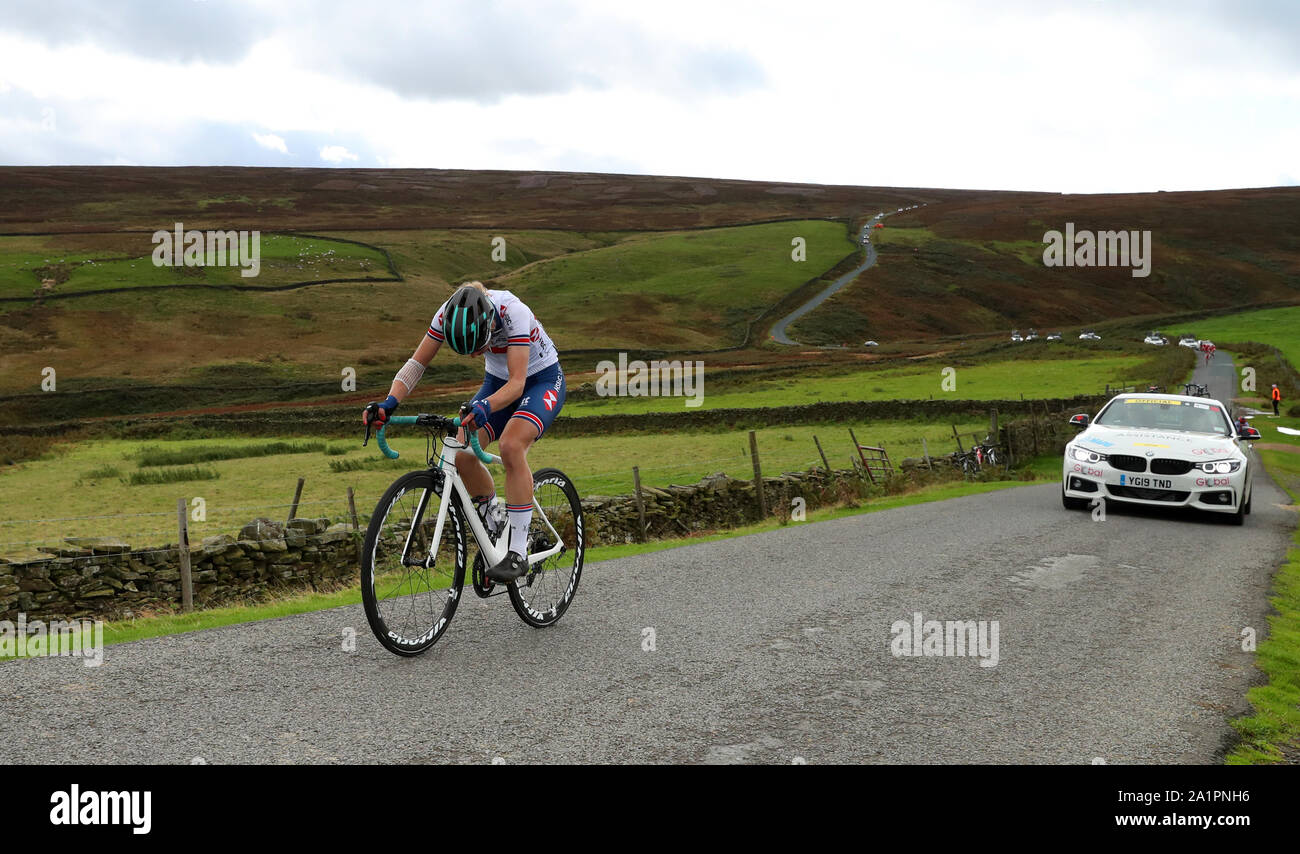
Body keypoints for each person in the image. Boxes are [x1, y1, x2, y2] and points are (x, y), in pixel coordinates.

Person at [361, 281, 565, 582]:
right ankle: (494, 522)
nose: (473, 357)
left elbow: (518, 383)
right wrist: (390, 402)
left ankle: (518, 552)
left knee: (510, 445)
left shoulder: (514, 313)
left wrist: (484, 408)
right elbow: (416, 364)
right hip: (497, 382)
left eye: (478, 349)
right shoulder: (446, 314)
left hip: (541, 381)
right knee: (461, 451)